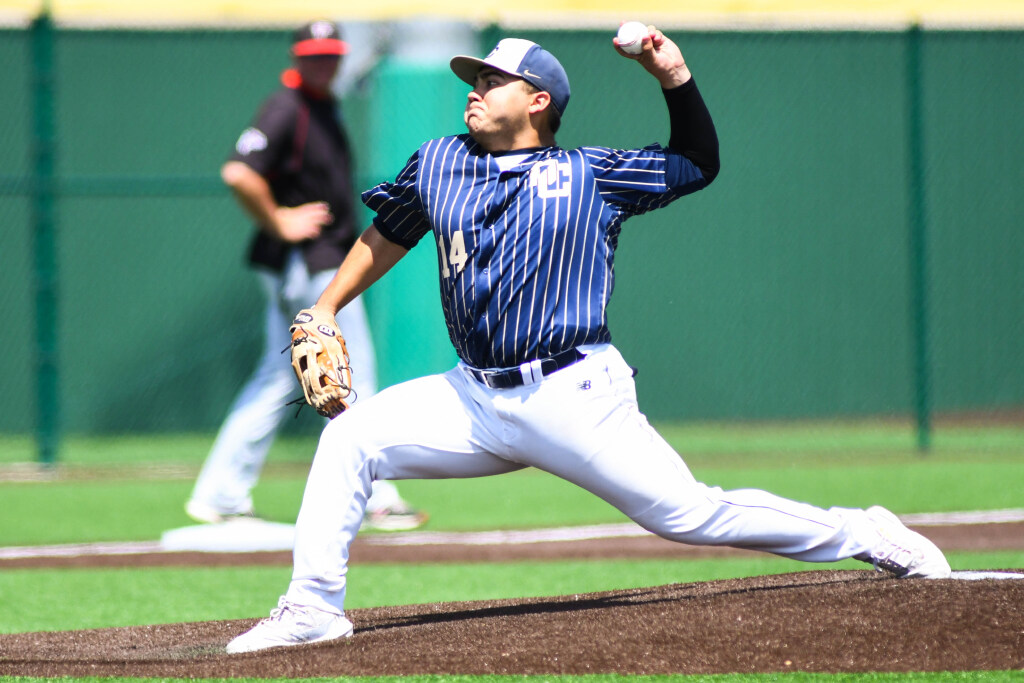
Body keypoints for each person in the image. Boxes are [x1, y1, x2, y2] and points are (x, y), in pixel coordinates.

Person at [225, 29, 951, 654]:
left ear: (539, 100)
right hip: (471, 394)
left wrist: (672, 77)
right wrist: (325, 304)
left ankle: (864, 531)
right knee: (351, 438)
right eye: (473, 79)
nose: (475, 89)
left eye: (492, 79)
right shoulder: (441, 160)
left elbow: (697, 162)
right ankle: (313, 607)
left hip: (572, 393)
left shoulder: (589, 174)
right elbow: (391, 232)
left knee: (688, 513)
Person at [185, 20, 427, 533]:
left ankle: (221, 493)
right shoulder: (287, 107)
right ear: (297, 57)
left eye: (332, 54)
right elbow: (239, 171)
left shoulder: (320, 104)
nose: (325, 63)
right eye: (315, 55)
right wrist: (277, 218)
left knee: (277, 377)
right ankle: (374, 493)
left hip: (301, 263)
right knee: (349, 367)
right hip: (309, 265)